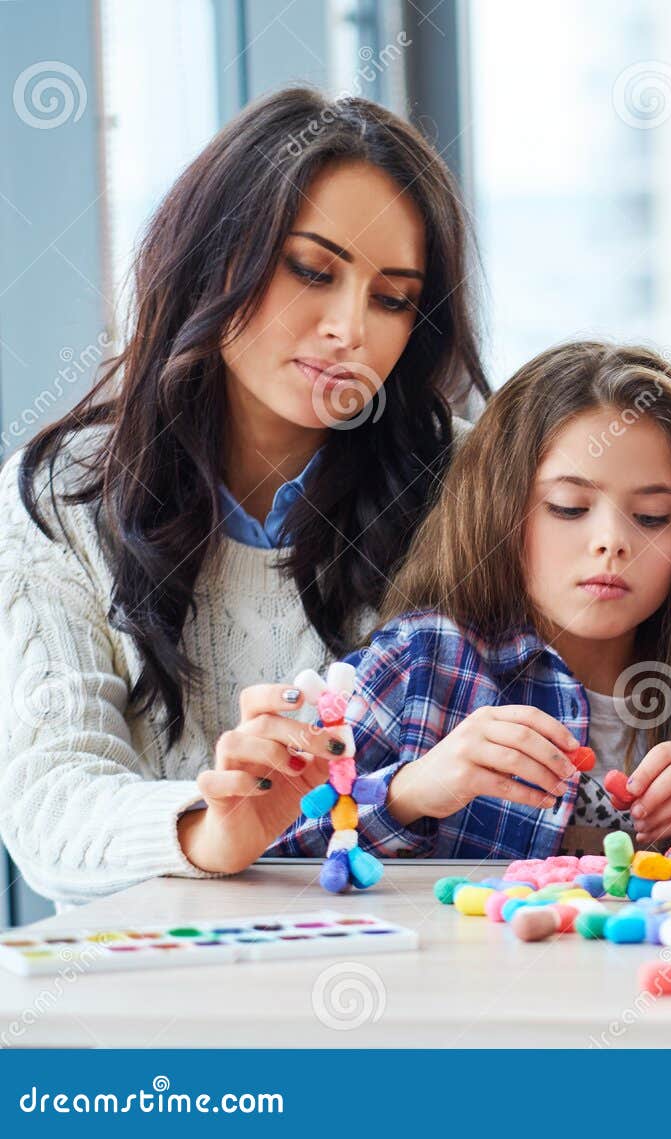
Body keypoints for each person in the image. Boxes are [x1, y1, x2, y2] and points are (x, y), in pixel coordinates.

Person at [0, 87, 487, 905]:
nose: (349, 328)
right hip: (154, 993)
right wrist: (207, 827)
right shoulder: (60, 495)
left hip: (418, 970)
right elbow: (49, 798)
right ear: (213, 253)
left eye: (392, 297)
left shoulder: (468, 482)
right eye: (311, 270)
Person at [271, 341, 671, 860]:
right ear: (501, 513)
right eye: (567, 506)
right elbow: (272, 841)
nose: (613, 542)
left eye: (652, 517)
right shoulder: (424, 663)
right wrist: (413, 790)